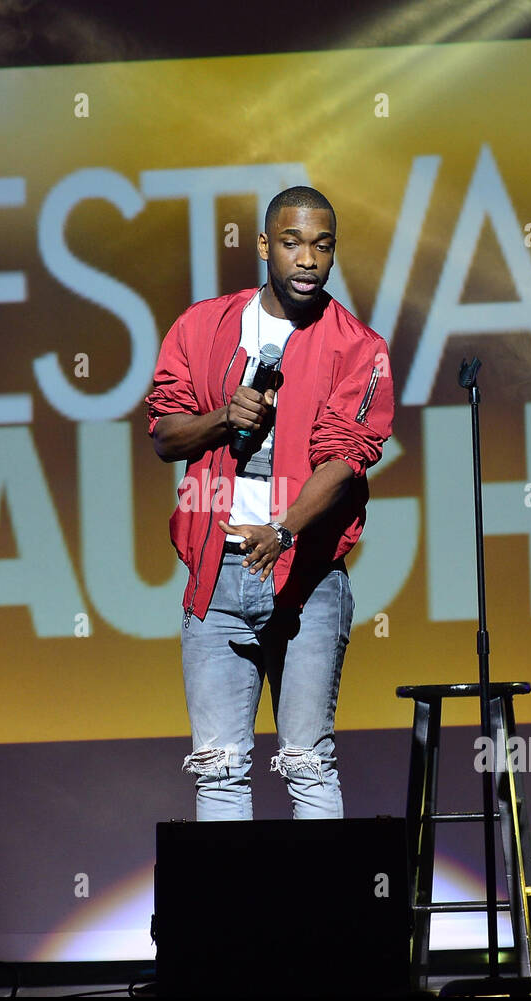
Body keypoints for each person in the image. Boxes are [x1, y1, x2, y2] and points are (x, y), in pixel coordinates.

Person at [146, 185, 393, 820]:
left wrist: (282, 533)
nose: (307, 259)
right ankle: (228, 924)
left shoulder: (357, 347)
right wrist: (224, 417)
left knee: (308, 764)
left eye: (322, 245)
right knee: (219, 770)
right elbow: (165, 432)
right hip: (218, 575)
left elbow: (345, 463)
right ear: (264, 246)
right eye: (291, 243)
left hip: (305, 577)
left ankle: (325, 923)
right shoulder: (202, 328)